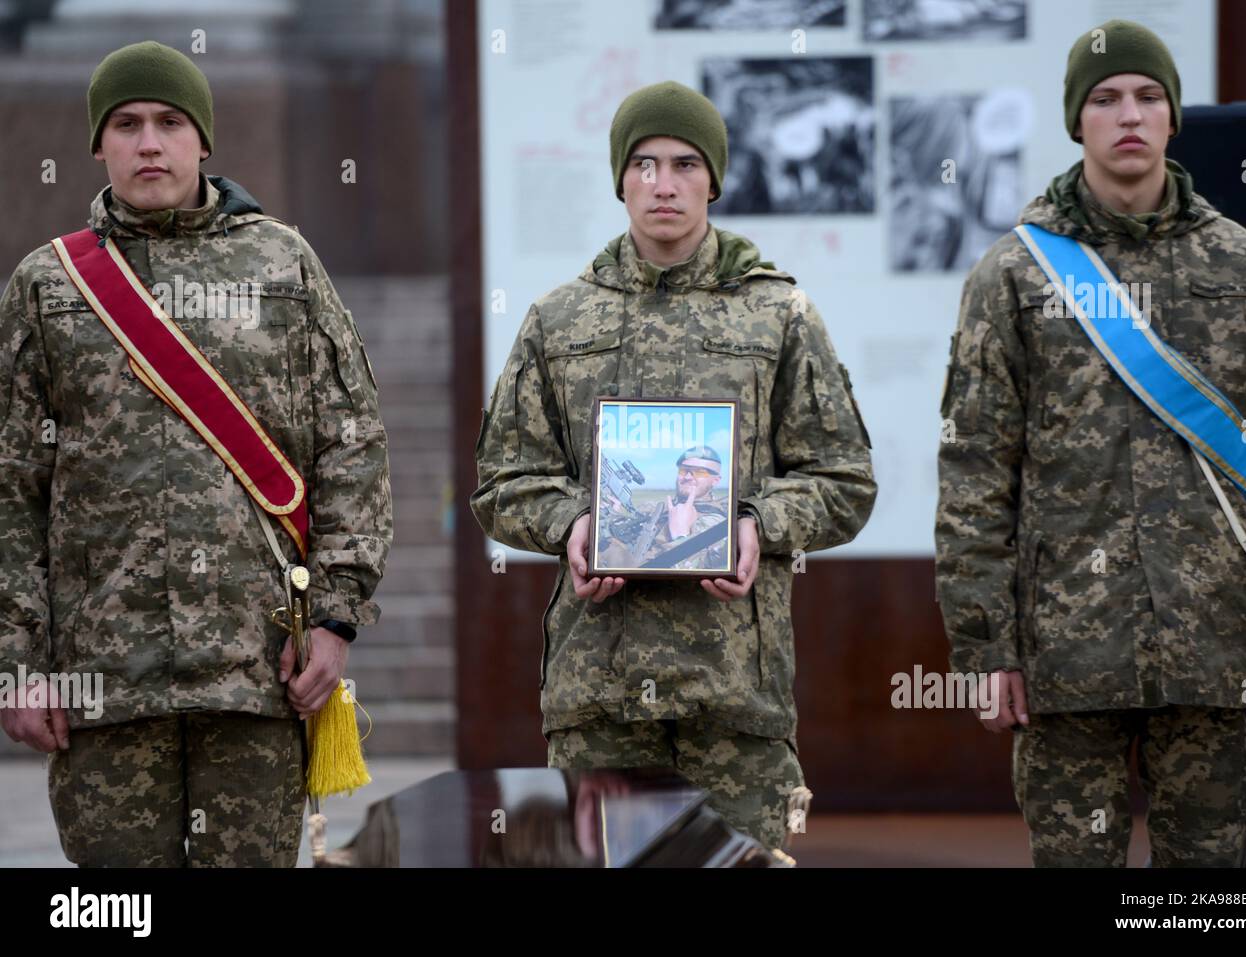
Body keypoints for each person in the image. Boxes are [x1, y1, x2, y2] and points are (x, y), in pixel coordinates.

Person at [0, 41, 393, 866]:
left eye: (171, 123)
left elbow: (349, 446)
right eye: (128, 123)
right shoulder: (48, 287)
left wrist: (334, 617)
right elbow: (12, 486)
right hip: (105, 683)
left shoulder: (283, 265)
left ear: (203, 141)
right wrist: (18, 659)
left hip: (255, 671)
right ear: (98, 145)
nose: (150, 142)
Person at [473, 81, 876, 850]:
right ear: (620, 179)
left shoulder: (778, 314)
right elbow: (501, 482)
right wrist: (574, 523)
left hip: (734, 697)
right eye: (646, 163)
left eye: (686, 163)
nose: (664, 183)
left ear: (714, 179)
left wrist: (759, 524)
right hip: (600, 692)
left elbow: (844, 478)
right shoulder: (559, 319)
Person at [936, 20, 1246, 866]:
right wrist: (986, 648)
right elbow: (975, 469)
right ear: (1077, 122)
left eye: (1147, 97)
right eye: (1104, 100)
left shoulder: (1241, 264)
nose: (1127, 114)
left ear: (1173, 118)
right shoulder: (1016, 276)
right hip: (1066, 653)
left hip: (1218, 647)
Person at [598, 445, 730, 570]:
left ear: (715, 480)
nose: (688, 477)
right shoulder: (657, 508)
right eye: (684, 470)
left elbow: (680, 580)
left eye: (700, 472)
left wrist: (680, 537)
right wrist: (615, 514)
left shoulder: (716, 526)